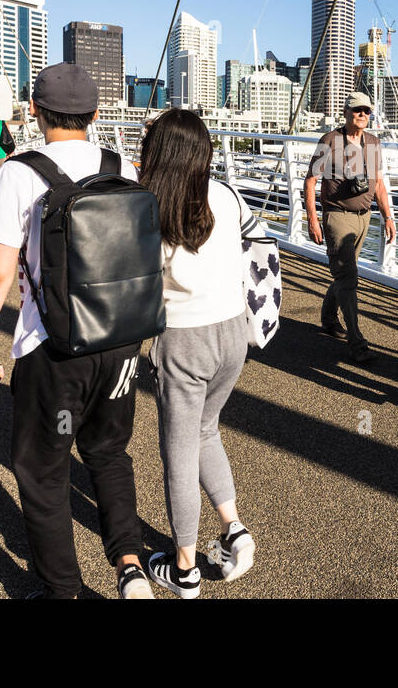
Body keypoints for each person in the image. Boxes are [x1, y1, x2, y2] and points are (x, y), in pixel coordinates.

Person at [0, 62, 153, 599]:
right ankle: (130, 564)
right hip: (121, 337)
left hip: (53, 346)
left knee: (43, 470)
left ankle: (63, 589)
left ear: (36, 111)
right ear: (95, 115)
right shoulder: (124, 168)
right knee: (109, 452)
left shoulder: (20, 173)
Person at [138, 109, 257, 599]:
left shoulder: (149, 204)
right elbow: (253, 241)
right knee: (207, 430)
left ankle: (184, 568)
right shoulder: (226, 195)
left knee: (179, 455)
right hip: (234, 330)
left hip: (184, 337)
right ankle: (233, 528)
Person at [302, 92, 395, 365]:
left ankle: (329, 319)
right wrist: (312, 219)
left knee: (345, 273)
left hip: (364, 216)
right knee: (349, 278)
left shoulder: (373, 143)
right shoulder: (330, 141)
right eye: (357, 110)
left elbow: (378, 183)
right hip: (338, 216)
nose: (362, 115)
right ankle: (357, 343)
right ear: (346, 112)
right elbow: (310, 182)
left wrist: (388, 217)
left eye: (366, 110)